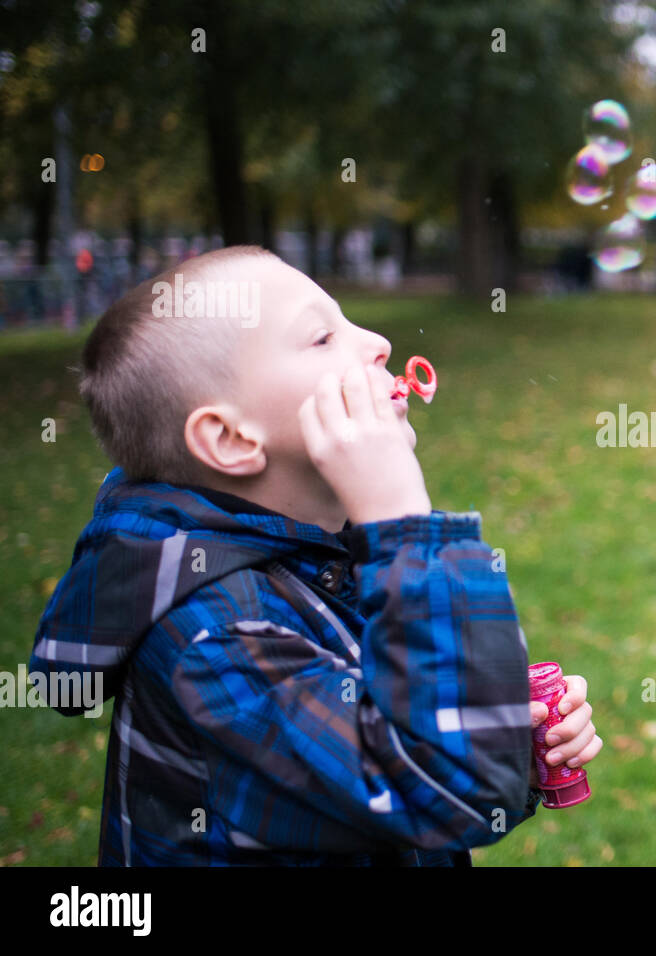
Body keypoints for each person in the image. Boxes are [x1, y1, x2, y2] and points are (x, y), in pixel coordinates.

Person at [29, 245, 602, 865]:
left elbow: (413, 764)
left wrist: (509, 731)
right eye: (322, 338)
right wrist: (404, 520)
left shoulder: (324, 558)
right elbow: (440, 792)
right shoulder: (218, 639)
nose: (378, 342)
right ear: (229, 438)